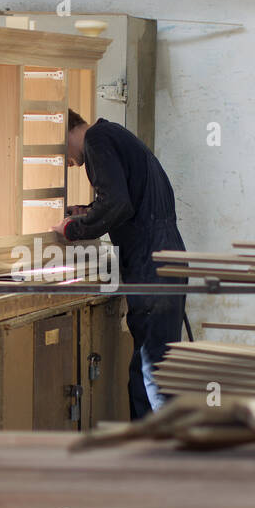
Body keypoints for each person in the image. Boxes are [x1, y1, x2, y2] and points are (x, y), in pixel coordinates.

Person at [51, 110, 186, 419]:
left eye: (63, 155)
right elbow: (125, 203)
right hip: (166, 256)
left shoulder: (97, 140)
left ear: (66, 132)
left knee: (151, 369)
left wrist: (74, 229)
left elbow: (117, 204)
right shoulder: (115, 135)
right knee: (159, 364)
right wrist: (86, 211)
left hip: (151, 262)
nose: (67, 162)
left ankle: (156, 455)